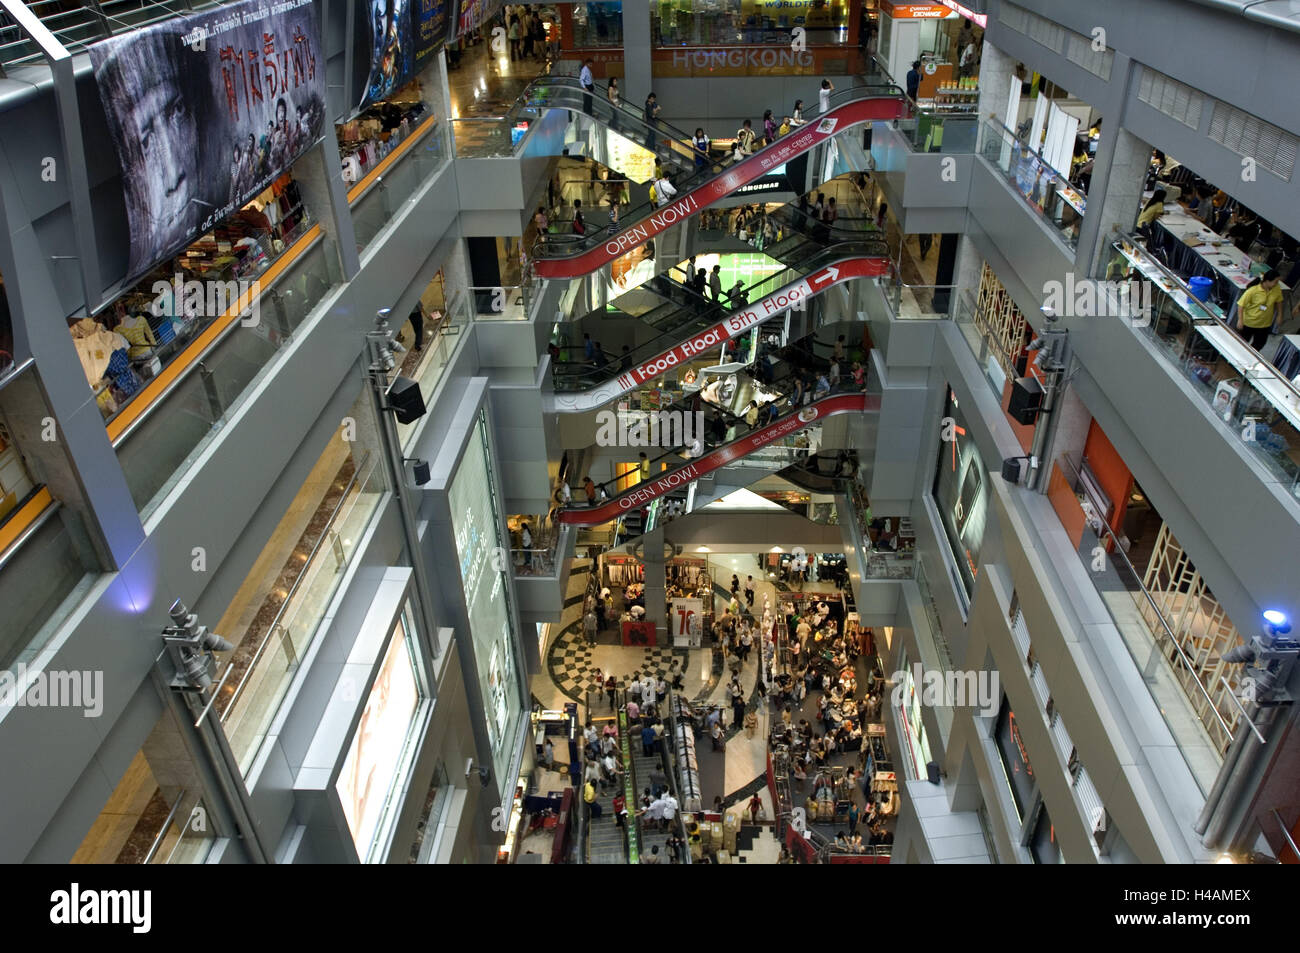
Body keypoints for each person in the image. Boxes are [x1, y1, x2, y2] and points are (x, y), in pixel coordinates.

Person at [1235, 269, 1283, 350]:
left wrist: (1280, 315)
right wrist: (1240, 320)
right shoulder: (1253, 290)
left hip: (1264, 324)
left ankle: (1251, 358)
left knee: (1259, 344)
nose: (1277, 284)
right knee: (1242, 344)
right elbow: (1241, 304)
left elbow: (1279, 301)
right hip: (1250, 323)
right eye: (1275, 281)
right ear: (1267, 281)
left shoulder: (1276, 288)